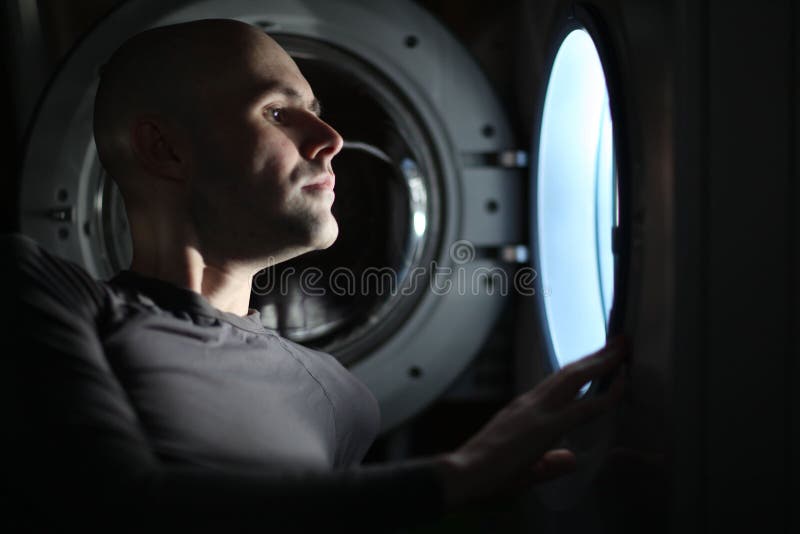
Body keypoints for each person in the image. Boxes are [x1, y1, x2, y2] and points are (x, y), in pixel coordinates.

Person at [0, 18, 626, 533]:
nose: (330, 139)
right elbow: (116, 506)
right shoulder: (35, 286)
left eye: (319, 113)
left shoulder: (341, 399)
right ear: (163, 149)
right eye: (277, 113)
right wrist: (456, 477)